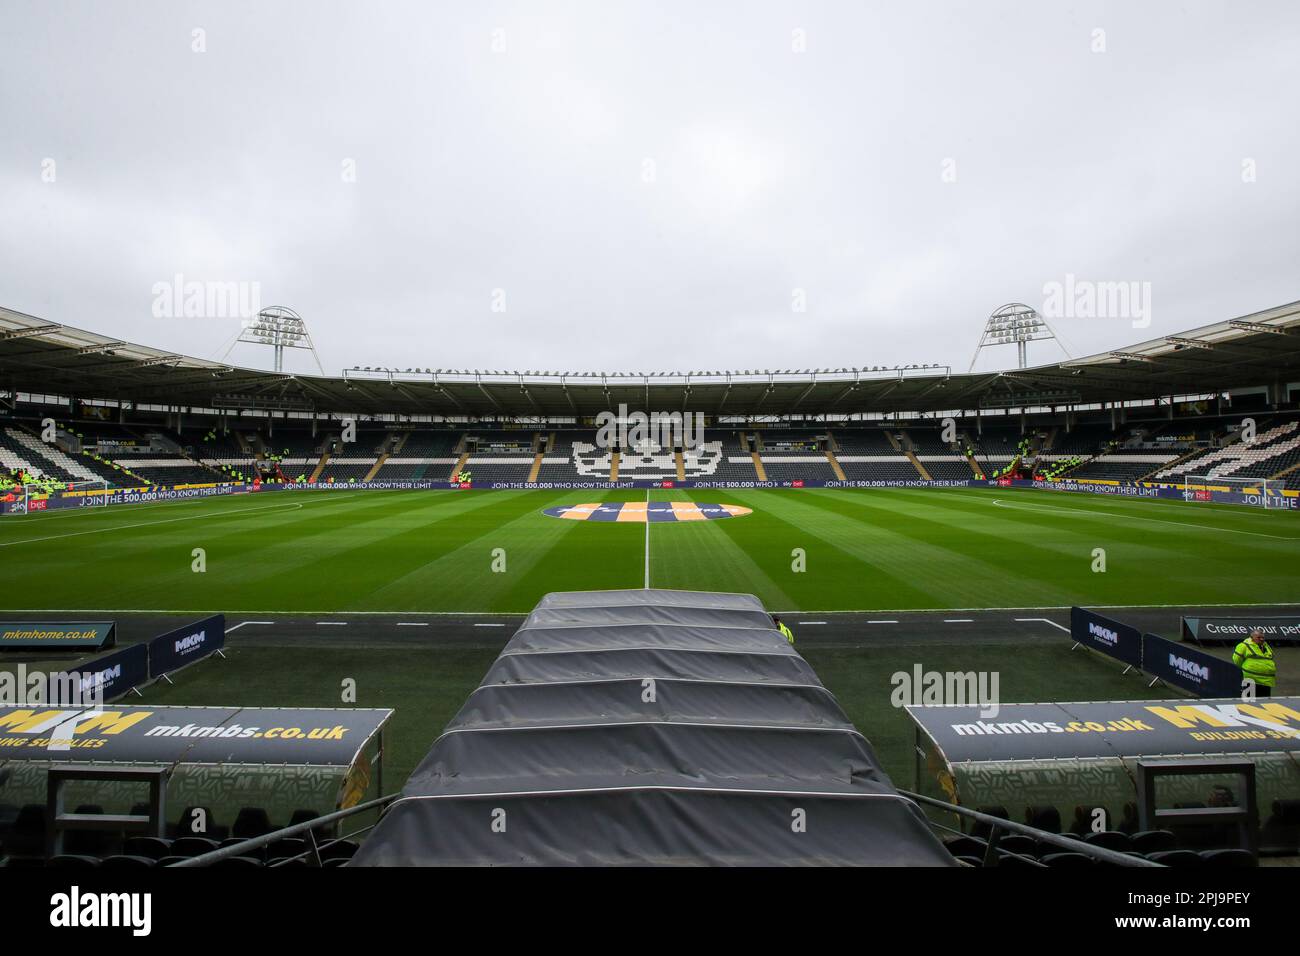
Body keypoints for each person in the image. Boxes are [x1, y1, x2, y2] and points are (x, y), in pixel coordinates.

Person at [1232, 628, 1276, 697]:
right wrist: (1247, 668)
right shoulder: (1243, 646)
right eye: (1258, 637)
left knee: (1264, 703)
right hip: (1251, 680)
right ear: (1252, 638)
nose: (1261, 639)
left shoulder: (1266, 646)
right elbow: (1237, 660)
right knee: (1249, 702)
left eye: (1263, 637)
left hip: (1266, 682)